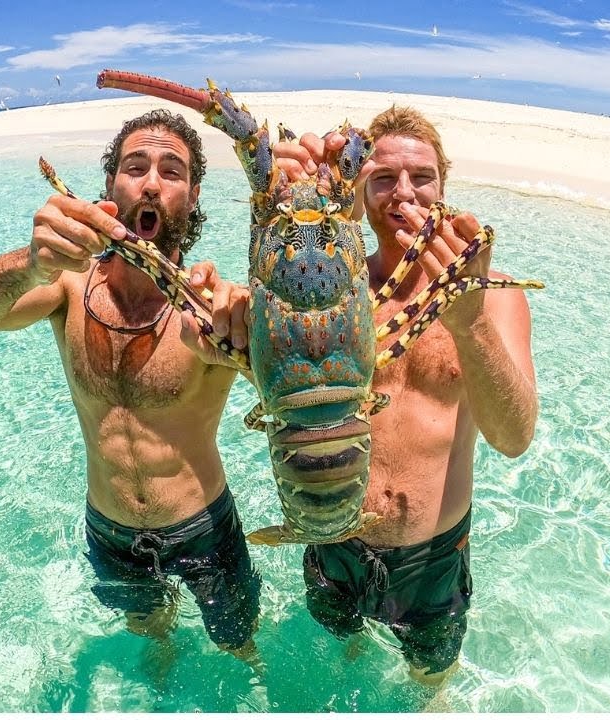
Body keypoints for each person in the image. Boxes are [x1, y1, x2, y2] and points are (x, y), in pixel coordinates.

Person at [185, 106, 538, 688]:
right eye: (382, 178)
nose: (403, 192)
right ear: (358, 193)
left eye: (421, 176)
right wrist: (222, 318)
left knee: (430, 677)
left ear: (443, 185)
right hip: (330, 543)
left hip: (432, 558)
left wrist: (468, 319)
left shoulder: (495, 299)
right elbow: (209, 338)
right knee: (338, 652)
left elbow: (514, 438)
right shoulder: (308, 288)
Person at [0, 109, 262, 669]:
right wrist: (30, 263)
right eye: (135, 167)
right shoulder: (65, 289)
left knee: (239, 647)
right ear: (111, 185)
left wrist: (253, 337)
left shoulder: (214, 309)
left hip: (203, 528)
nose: (152, 182)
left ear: (194, 193)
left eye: (172, 170)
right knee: (150, 635)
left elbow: (299, 398)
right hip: (111, 532)